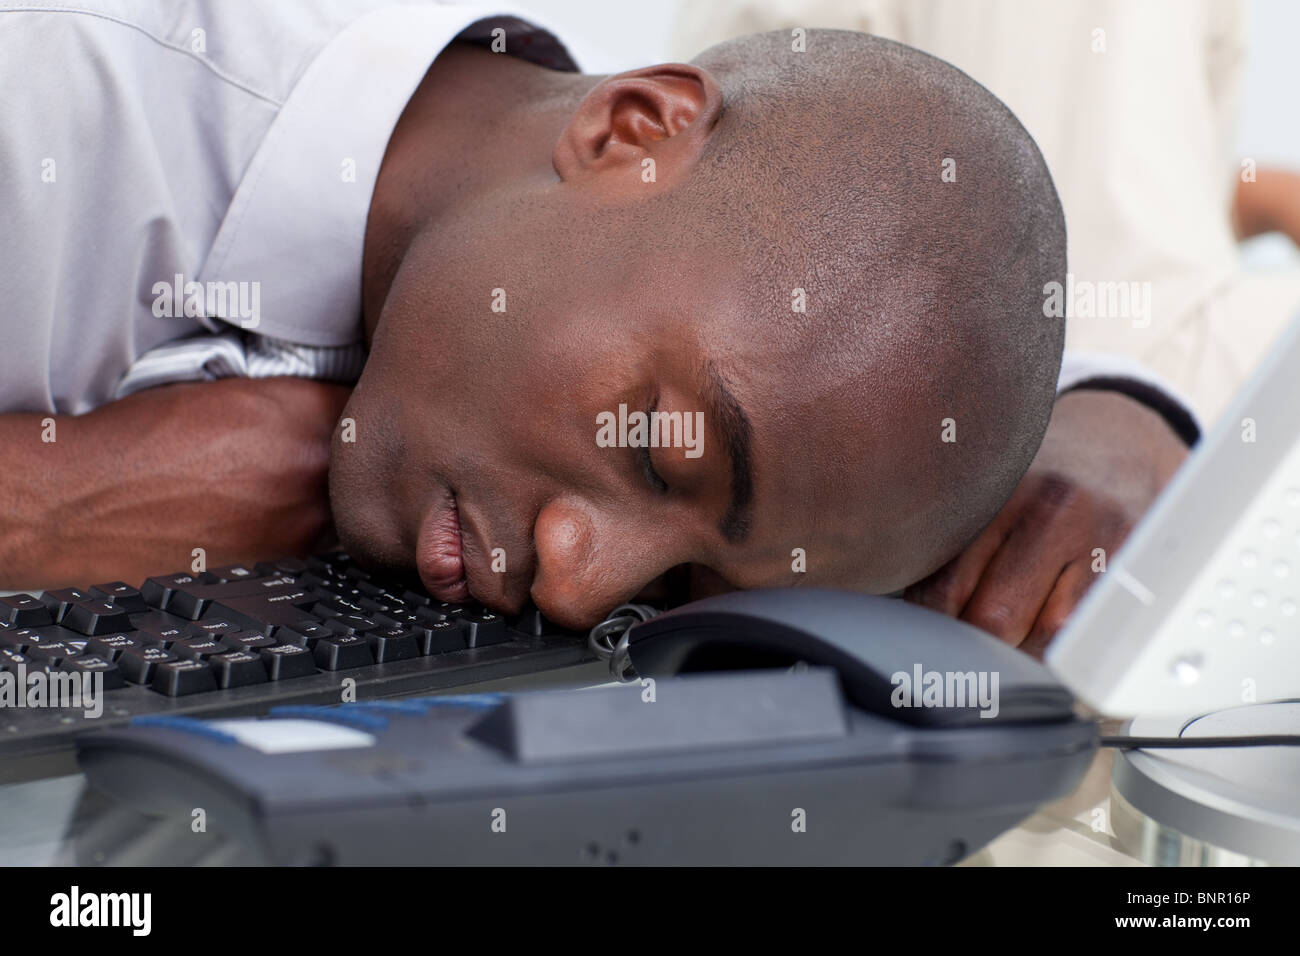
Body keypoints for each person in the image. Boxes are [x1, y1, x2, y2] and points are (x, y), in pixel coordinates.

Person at [0, 1, 1191, 655]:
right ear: (626, 132)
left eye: (679, 578)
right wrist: (59, 502)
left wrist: (1110, 422)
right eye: (655, 450)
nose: (577, 580)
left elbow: (847, 374)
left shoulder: (633, 225)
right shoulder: (50, 92)